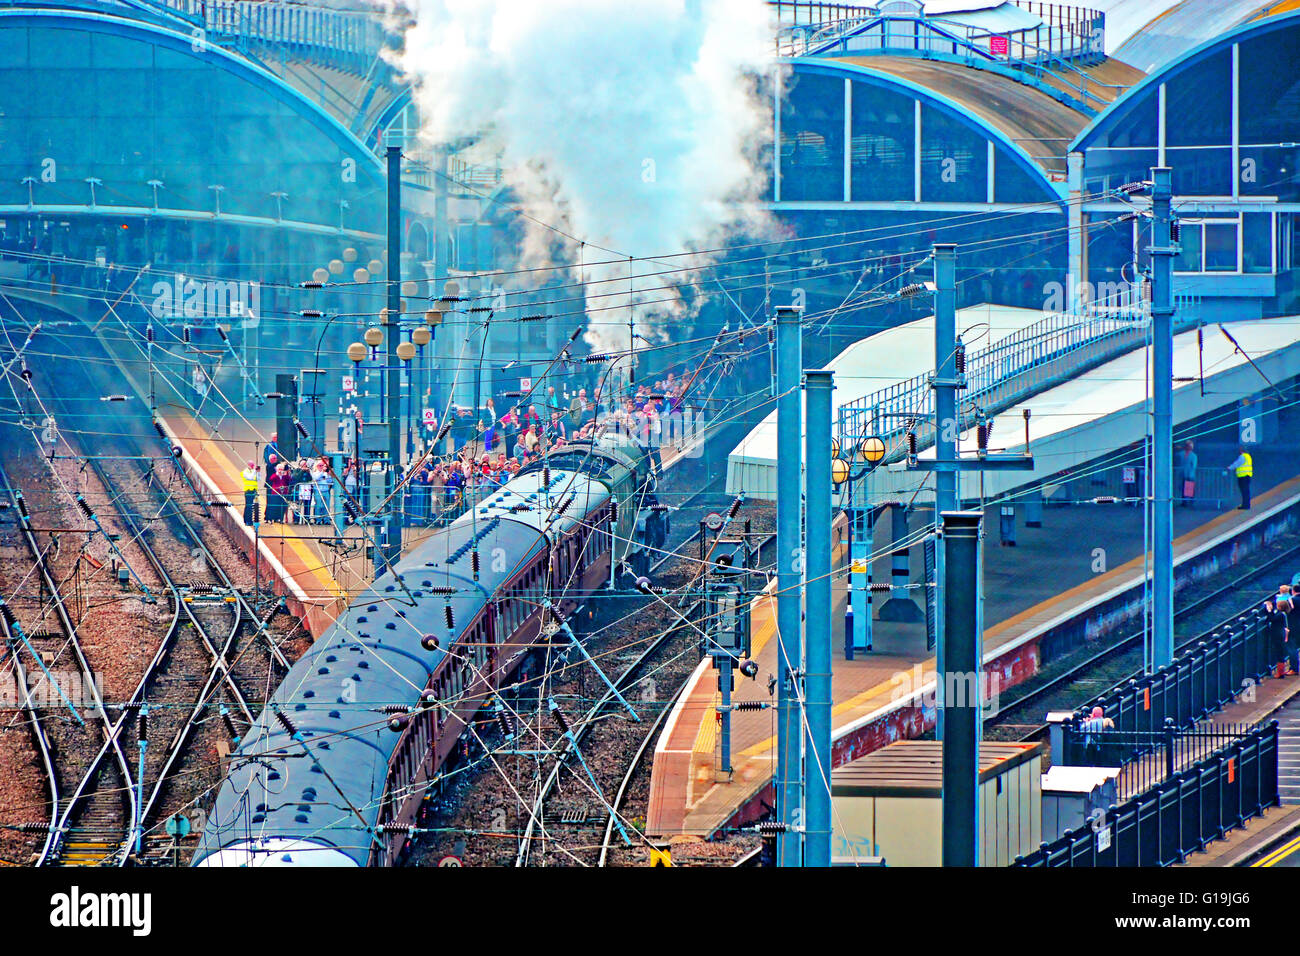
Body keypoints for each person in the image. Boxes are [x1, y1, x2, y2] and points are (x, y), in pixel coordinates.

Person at [240, 461, 259, 525]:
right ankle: (247, 520)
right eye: (251, 465)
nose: (252, 466)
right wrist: (255, 471)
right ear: (248, 465)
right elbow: (250, 477)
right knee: (249, 506)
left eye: (253, 465)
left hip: (254, 490)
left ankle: (248, 520)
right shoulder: (245, 472)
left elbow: (258, 479)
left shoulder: (253, 471)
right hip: (248, 491)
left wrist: (258, 472)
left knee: (251, 506)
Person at [1179, 441, 1197, 506]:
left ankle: (1191, 501)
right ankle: (1184, 502)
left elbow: (1194, 466)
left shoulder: (1193, 455)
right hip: (1183, 473)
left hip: (1190, 474)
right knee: (1184, 487)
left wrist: (1191, 472)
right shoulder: (1181, 454)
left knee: (1190, 487)